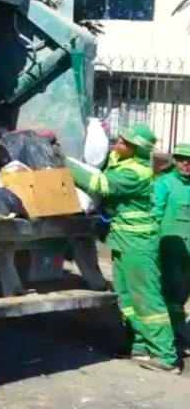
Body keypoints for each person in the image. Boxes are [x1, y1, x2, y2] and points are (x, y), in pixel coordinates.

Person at [68, 124, 180, 374]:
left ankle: (165, 354)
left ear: (137, 148)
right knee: (126, 298)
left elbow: (99, 184)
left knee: (146, 298)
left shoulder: (135, 173)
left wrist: (63, 162)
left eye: (124, 142)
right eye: (118, 139)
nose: (117, 144)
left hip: (138, 244)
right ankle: (139, 343)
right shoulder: (122, 161)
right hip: (122, 240)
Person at [156, 143, 190, 355]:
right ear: (174, 161)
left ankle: (177, 329)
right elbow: (156, 213)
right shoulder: (164, 183)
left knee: (183, 292)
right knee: (170, 289)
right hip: (170, 249)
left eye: (189, 160)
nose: (186, 163)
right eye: (181, 159)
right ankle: (170, 332)